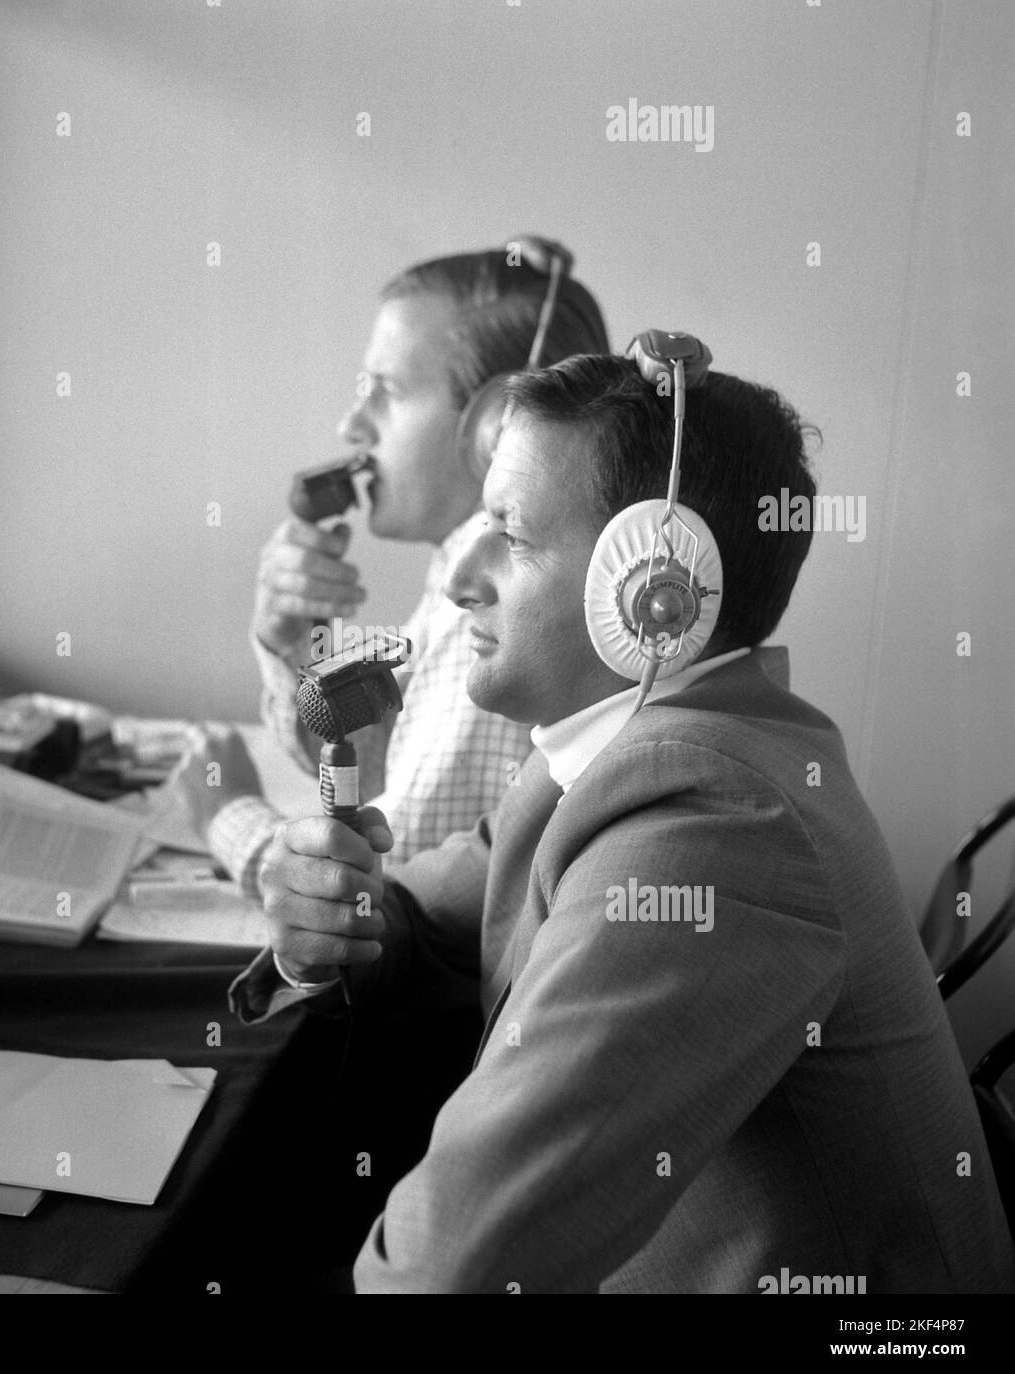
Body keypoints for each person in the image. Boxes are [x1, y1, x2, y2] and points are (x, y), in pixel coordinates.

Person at [232, 349, 1014, 1293]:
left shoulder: (719, 826)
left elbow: (447, 1269)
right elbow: (432, 921)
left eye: (510, 537)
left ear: (648, 598)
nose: (457, 578)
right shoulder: (619, 752)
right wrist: (341, 913)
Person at [170, 238, 609, 902]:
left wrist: (227, 814)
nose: (352, 424)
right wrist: (299, 641)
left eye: (388, 392)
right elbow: (383, 774)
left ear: (497, 424)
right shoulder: (462, 570)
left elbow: (374, 899)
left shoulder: (494, 609)